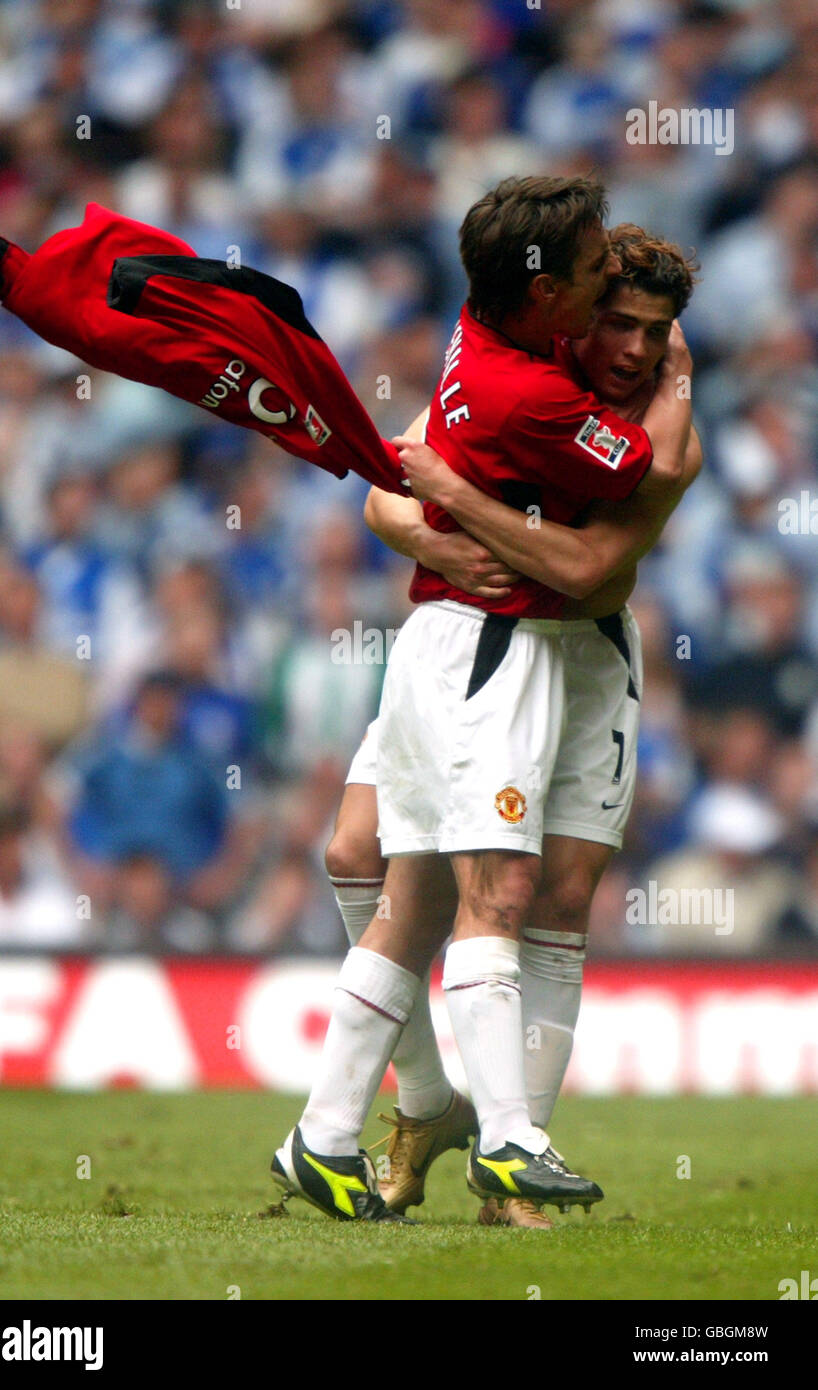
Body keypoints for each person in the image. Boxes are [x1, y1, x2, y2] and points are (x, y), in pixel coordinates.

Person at [272, 179, 694, 1224]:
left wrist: (450, 502)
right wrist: (424, 518)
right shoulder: (534, 377)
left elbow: (594, 564)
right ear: (564, 307)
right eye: (614, 313)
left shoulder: (636, 396)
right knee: (385, 869)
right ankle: (434, 1115)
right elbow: (391, 482)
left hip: (579, 653)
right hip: (480, 648)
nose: (635, 348)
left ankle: (484, 1156)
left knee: (533, 901)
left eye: (656, 333)